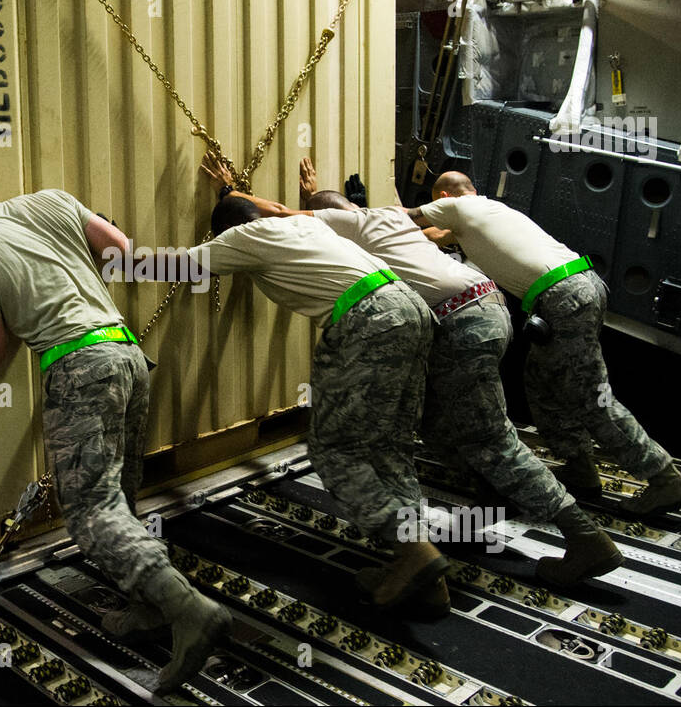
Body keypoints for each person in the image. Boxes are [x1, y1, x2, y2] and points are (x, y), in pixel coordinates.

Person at [213, 157, 622, 589]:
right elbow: (312, 217)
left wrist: (231, 194)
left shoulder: (343, 229)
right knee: (432, 426)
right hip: (482, 309)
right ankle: (482, 502)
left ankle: (583, 537)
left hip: (459, 321)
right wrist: (312, 195)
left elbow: (280, 218)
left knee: (488, 440)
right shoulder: (385, 219)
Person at [0, 166, 229, 693]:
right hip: (126, 354)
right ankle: (146, 608)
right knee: (119, 496)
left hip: (79, 368)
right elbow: (121, 250)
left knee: (90, 512)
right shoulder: (50, 201)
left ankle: (189, 610)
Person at [163, 159, 447, 610]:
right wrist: (230, 192)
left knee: (335, 451)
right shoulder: (304, 227)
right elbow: (271, 209)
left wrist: (114, 255)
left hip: (367, 320)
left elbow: (178, 267)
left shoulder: (241, 237)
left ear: (226, 231)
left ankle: (415, 553)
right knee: (390, 448)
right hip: (412, 308)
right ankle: (424, 581)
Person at [405, 171, 681, 517]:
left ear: (442, 197)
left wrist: (358, 216)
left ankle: (664, 478)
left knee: (590, 396)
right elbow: (435, 236)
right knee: (543, 382)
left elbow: (405, 219)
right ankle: (579, 467)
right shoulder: (487, 212)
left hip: (563, 295)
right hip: (576, 288)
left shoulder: (456, 207)